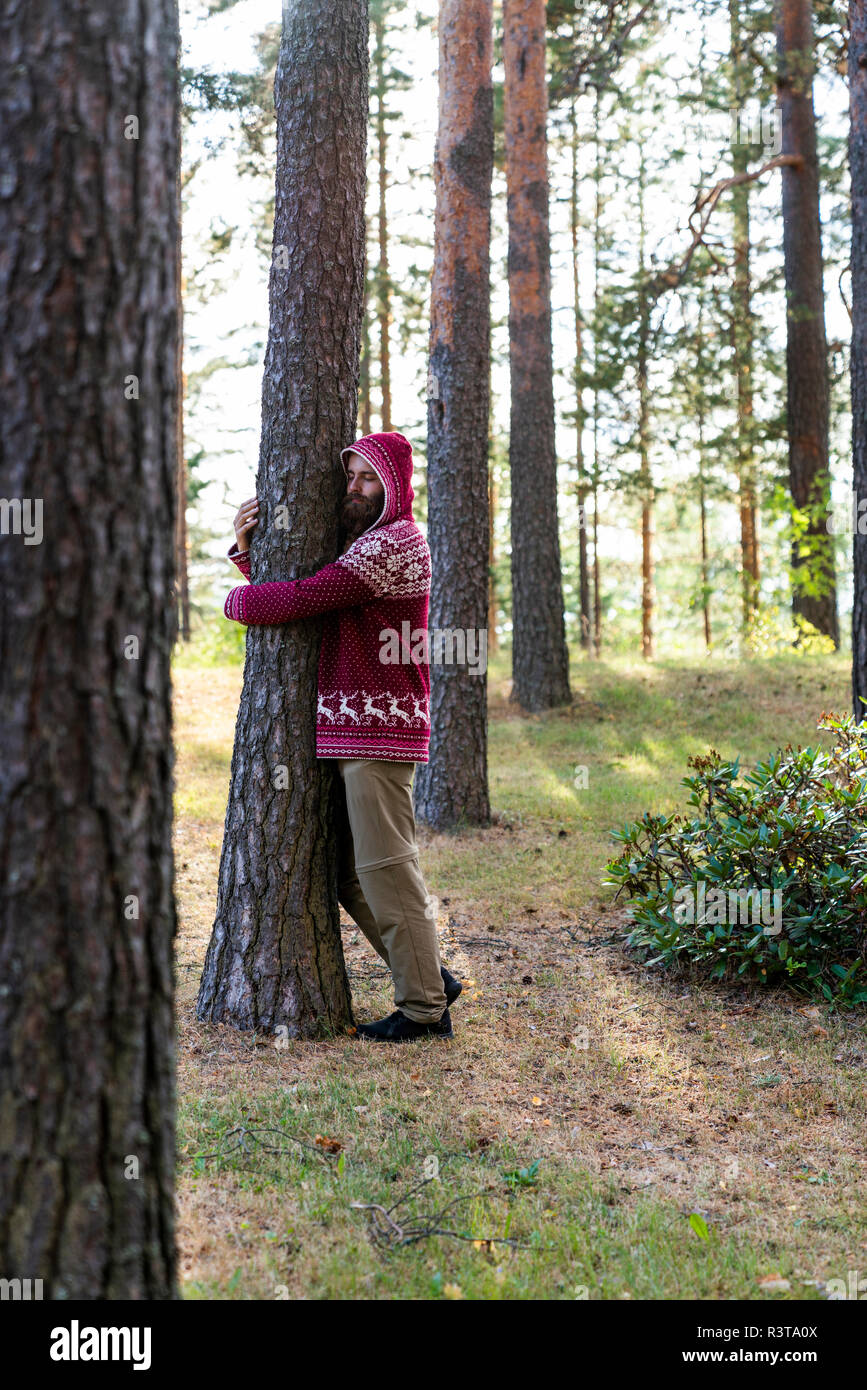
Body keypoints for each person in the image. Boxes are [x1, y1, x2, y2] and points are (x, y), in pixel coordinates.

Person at [224, 430, 462, 1042]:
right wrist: (249, 557)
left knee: (386, 868)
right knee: (348, 871)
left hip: (378, 731)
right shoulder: (369, 546)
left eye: (367, 477)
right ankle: (429, 975)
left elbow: (307, 597)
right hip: (354, 728)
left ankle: (424, 1011)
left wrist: (238, 598)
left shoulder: (394, 543)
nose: (353, 488)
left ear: (394, 484)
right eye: (349, 476)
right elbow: (321, 603)